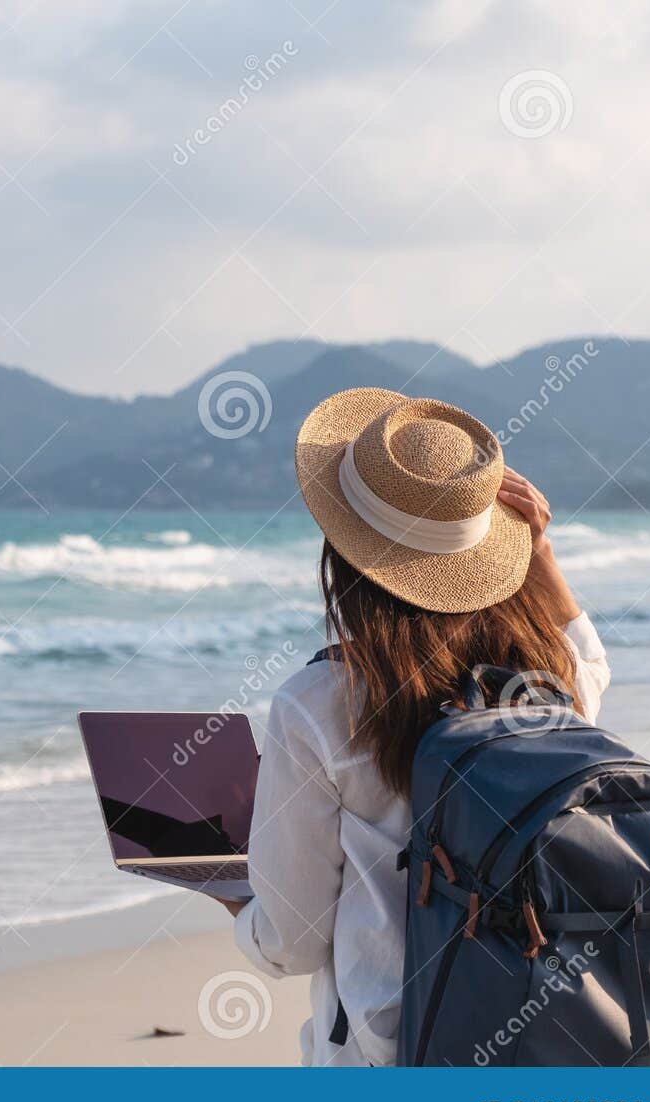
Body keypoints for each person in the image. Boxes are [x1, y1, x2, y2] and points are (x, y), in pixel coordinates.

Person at [223, 389, 611, 1066]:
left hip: (385, 1054)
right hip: (533, 1038)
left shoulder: (321, 701)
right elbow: (592, 666)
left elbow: (294, 940)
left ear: (344, 553)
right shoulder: (546, 682)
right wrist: (541, 555)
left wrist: (237, 899)